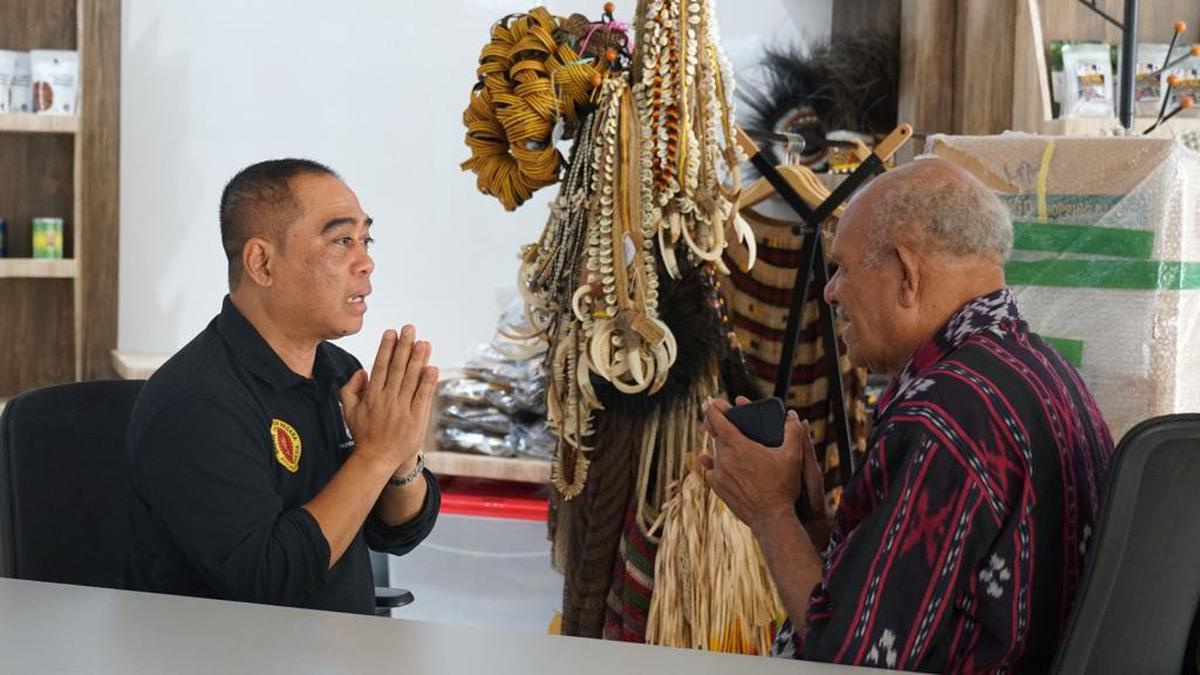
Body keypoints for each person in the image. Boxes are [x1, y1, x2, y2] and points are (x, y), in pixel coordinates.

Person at [701, 158, 1115, 672]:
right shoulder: (1038, 367)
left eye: (844, 269)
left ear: (907, 273)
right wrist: (810, 523)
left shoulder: (946, 415)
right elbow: (915, 584)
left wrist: (769, 512)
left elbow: (846, 658)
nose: (831, 292)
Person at [126, 158, 441, 615]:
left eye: (365, 238)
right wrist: (375, 455)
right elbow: (267, 583)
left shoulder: (337, 370)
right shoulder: (196, 402)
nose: (366, 261)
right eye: (341, 240)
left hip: (338, 652)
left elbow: (395, 531)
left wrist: (400, 458)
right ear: (262, 262)